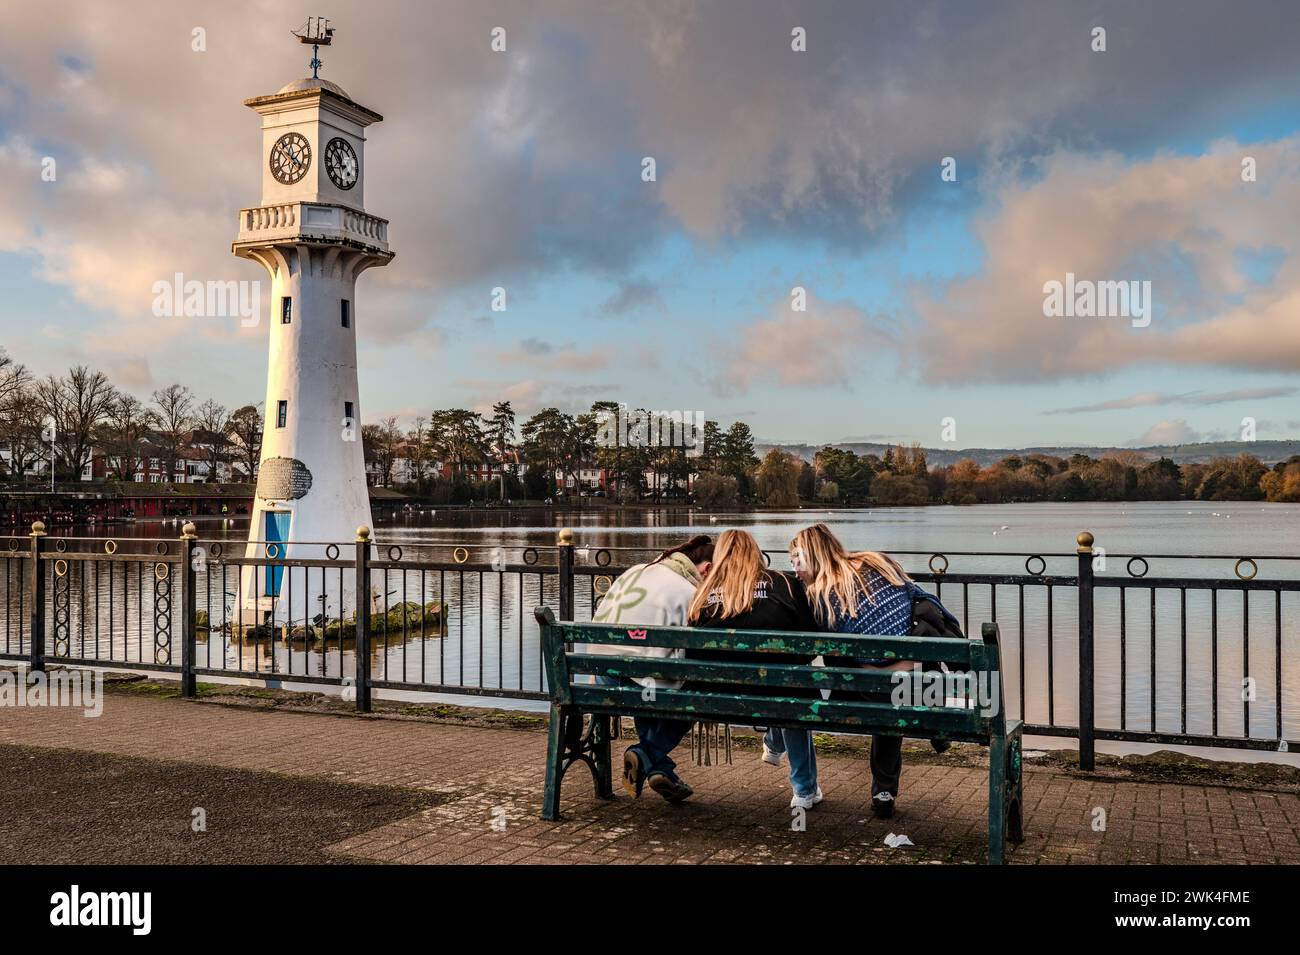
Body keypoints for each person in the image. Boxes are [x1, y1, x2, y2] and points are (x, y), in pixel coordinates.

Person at [789, 523, 962, 819]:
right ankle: (886, 786)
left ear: (813, 555)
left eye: (797, 561)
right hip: (911, 680)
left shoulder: (819, 595)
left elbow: (815, 650)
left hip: (863, 694)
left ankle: (884, 787)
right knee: (894, 693)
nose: (795, 571)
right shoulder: (874, 561)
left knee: (869, 683)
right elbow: (915, 599)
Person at [688, 530, 824, 810]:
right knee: (789, 688)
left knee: (781, 684)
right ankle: (803, 790)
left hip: (721, 695)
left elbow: (694, 650)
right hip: (780, 688)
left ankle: (774, 744)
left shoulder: (703, 593)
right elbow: (811, 640)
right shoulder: (784, 582)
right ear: (756, 552)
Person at [588, 534, 715, 803]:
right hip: (640, 684)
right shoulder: (688, 592)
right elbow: (683, 659)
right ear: (707, 569)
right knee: (689, 692)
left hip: (599, 680)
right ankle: (646, 755)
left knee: (644, 679)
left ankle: (661, 771)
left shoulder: (635, 571)